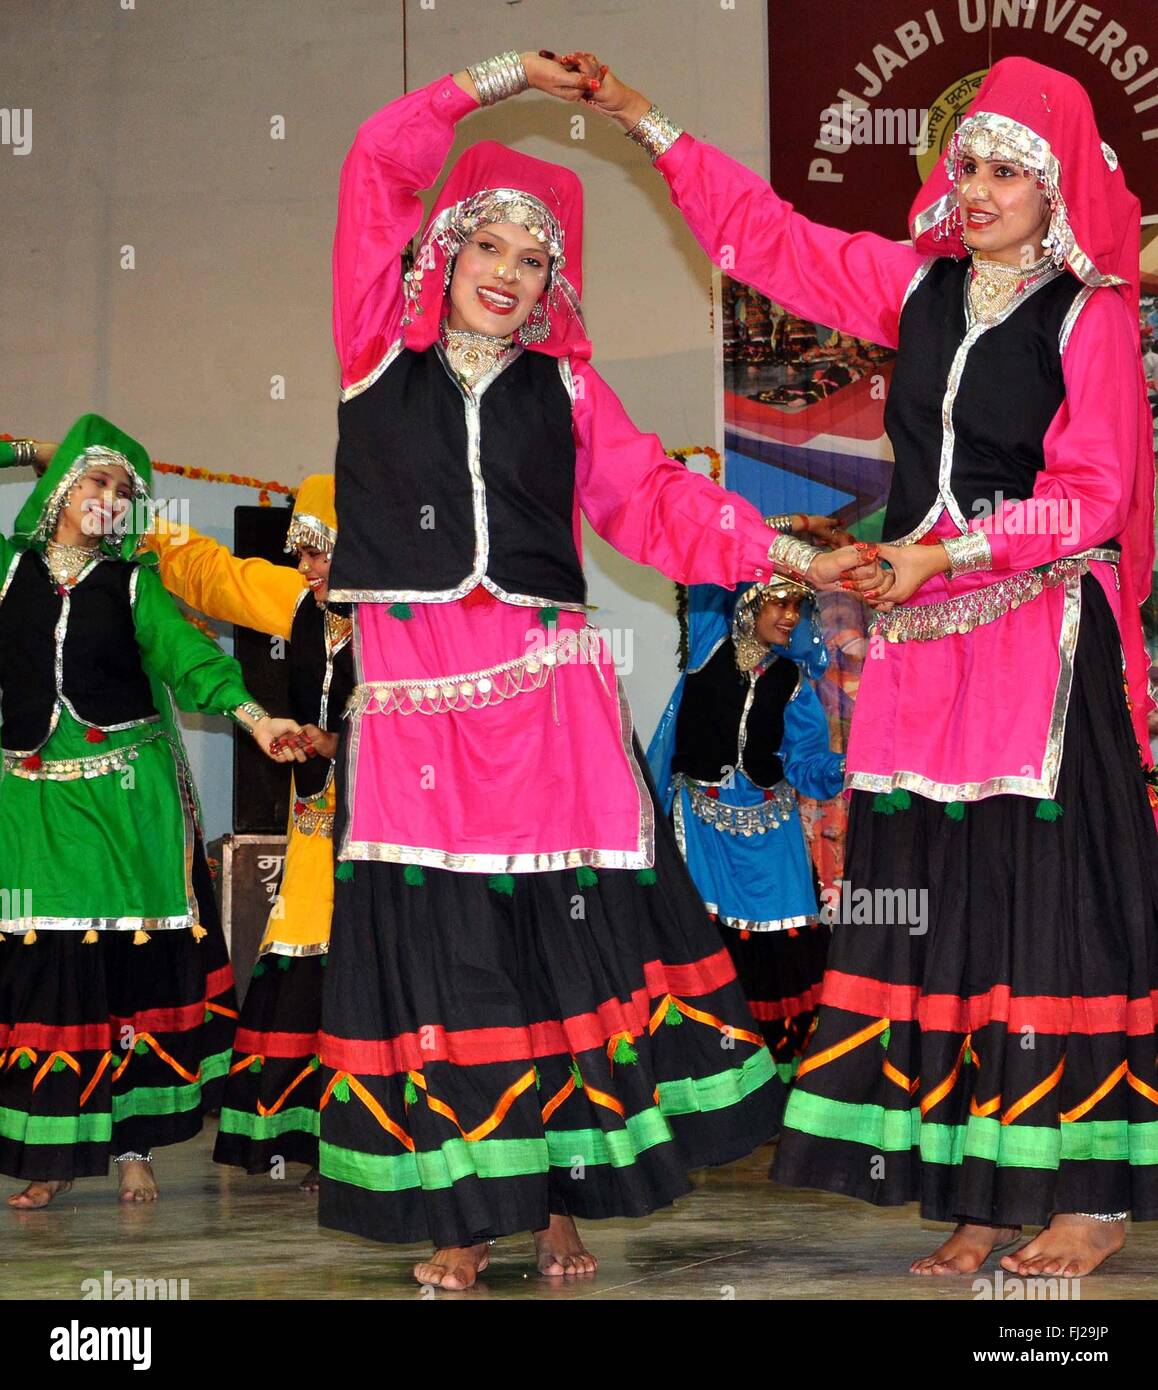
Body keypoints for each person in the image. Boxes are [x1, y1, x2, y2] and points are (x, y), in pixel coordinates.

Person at [576, 52, 1158, 1277]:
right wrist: (645, 118)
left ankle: (1093, 1193)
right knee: (944, 916)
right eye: (971, 167)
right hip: (930, 653)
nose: (985, 187)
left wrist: (942, 554)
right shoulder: (918, 289)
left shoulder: (1088, 312)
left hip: (1039, 639)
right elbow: (765, 237)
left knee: (1050, 917)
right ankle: (984, 1189)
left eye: (1010, 170)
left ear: (1057, 189)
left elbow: (1096, 498)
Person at [318, 51, 868, 1290]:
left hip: (548, 704)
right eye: (491, 249)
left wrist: (785, 545)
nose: (510, 276)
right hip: (418, 718)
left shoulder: (566, 390)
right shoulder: (370, 348)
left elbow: (660, 505)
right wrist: (490, 80)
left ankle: (560, 1197)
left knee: (565, 952)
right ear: (443, 251)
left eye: (535, 261)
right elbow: (373, 164)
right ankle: (462, 1212)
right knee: (445, 961)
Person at [0, 417, 299, 1208]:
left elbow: (191, 658)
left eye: (125, 492)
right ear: (62, 486)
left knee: (121, 970)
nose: (109, 500)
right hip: (30, 803)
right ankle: (49, 1155)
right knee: (45, 972)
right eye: (96, 481)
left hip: (126, 801)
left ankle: (135, 1144)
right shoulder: (6, 570)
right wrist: (28, 449)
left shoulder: (134, 584)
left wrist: (255, 717)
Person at [142, 474, 351, 1191]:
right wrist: (131, 515)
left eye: (322, 552)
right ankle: (315, 1140)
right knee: (302, 963)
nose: (308, 568)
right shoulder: (296, 604)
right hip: (313, 832)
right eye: (303, 552)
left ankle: (372, 1142)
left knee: (368, 969)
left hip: (382, 837)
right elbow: (211, 574)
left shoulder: (407, 621)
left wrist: (340, 744)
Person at [647, 565, 845, 1107]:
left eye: (797, 607)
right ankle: (712, 1081)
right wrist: (794, 531)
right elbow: (712, 555)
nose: (788, 616)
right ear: (747, 604)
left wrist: (850, 767)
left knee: (784, 949)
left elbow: (806, 764)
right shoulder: (706, 646)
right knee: (707, 948)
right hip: (701, 826)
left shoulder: (794, 681)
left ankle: (774, 1090)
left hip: (770, 830)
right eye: (777, 602)